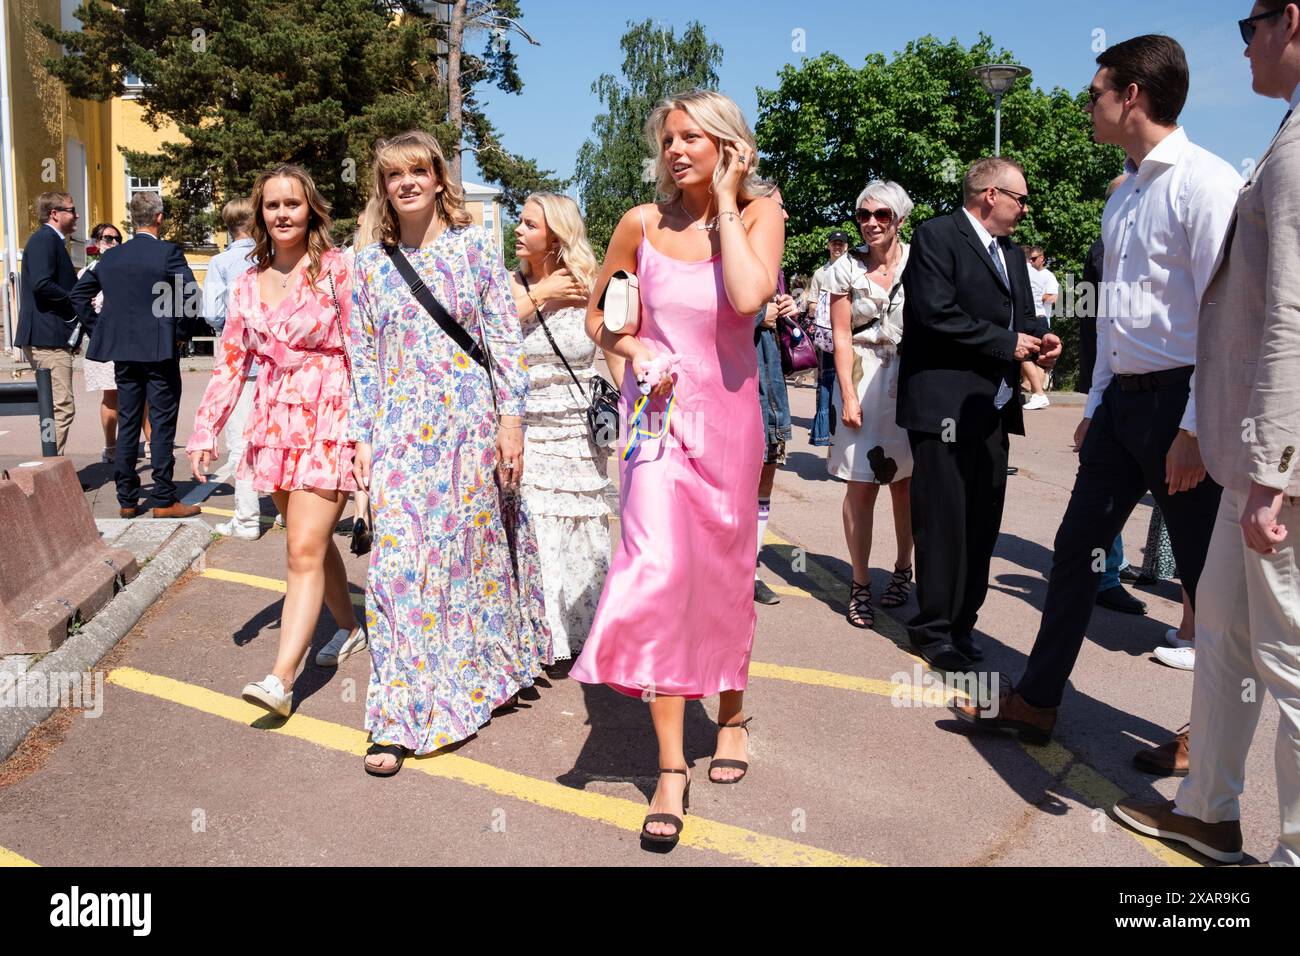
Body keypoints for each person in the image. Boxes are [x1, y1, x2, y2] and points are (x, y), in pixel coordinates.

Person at [954, 35, 1237, 741]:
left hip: (1183, 406)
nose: (1088, 105)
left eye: (1095, 93)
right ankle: (1037, 700)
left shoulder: (1206, 183)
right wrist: (1101, 399)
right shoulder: (1125, 194)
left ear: (1131, 96)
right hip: (1124, 408)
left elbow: (1224, 316)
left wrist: (1195, 429)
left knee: (1209, 582)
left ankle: (1207, 745)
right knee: (1076, 552)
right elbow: (1113, 314)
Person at [570, 90, 785, 847]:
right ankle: (669, 767)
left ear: (727, 144)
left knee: (723, 574)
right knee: (659, 572)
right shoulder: (640, 223)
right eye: (669, 139)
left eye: (694, 137)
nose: (678, 150)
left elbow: (749, 297)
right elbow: (597, 313)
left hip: (729, 423)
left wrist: (727, 200)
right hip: (656, 421)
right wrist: (634, 349)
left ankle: (730, 713)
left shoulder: (761, 214)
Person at [1115, 2, 1300, 866]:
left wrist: (1274, 473)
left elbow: (1292, 321)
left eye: (1249, 26)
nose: (1248, 45)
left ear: (1288, 19)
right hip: (1245, 459)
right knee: (1221, 631)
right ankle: (1209, 811)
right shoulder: (1286, 136)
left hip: (1276, 468)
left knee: (1290, 664)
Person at [349, 130, 551, 776]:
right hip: (402, 435)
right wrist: (362, 443)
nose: (406, 183)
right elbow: (363, 365)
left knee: (469, 560)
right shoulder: (369, 266)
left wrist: (511, 421)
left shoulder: (473, 252)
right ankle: (396, 715)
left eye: (418, 170)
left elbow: (502, 342)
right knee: (396, 570)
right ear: (383, 189)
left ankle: (484, 671)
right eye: (393, 175)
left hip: (469, 428)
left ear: (439, 179)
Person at [186, 166, 364, 716]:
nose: (282, 213)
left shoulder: (338, 271)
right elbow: (231, 363)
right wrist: (205, 429)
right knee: (306, 539)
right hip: (274, 423)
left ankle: (281, 680)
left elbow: (366, 353)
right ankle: (350, 627)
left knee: (302, 548)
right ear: (260, 213)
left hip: (329, 413)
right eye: (272, 205)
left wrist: (366, 433)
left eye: (292, 203)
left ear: (311, 208)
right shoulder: (246, 281)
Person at [897, 157, 1057, 671]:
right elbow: (935, 312)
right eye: (1021, 198)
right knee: (943, 520)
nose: (1024, 208)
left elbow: (1023, 315)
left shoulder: (1008, 252)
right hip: (943, 405)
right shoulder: (936, 236)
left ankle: (964, 622)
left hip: (992, 406)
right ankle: (934, 627)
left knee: (982, 520)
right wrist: (1007, 343)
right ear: (991, 194)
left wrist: (1041, 341)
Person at [508, 191, 614, 662]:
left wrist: (643, 408)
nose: (518, 230)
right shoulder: (506, 283)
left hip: (578, 429)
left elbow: (616, 348)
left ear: (556, 234)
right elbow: (491, 331)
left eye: (530, 224)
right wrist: (542, 294)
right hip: (525, 425)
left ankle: (583, 631)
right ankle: (540, 635)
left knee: (580, 527)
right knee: (535, 526)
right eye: (519, 222)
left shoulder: (590, 284)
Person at [71, 192, 202, 519]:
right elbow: (189, 296)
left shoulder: (110, 257)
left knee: (128, 422)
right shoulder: (167, 252)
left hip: (124, 351)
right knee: (160, 422)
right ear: (159, 218)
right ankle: (164, 498)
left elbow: (78, 296)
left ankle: (127, 498)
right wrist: (179, 335)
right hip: (159, 351)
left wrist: (100, 328)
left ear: (133, 220)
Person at [825, 180, 916, 629]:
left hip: (909, 380)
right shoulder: (845, 269)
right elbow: (841, 335)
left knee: (906, 484)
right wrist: (846, 393)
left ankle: (903, 569)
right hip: (862, 376)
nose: (871, 223)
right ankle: (860, 584)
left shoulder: (920, 261)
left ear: (899, 218)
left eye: (882, 215)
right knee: (860, 484)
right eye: (864, 215)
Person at [201, 197, 261, 539]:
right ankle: (284, 510)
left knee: (240, 440)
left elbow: (212, 313)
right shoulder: (269, 257)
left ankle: (247, 517)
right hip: (275, 362)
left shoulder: (221, 262)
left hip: (239, 360)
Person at [755, 187, 795, 606]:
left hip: (771, 392)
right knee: (735, 484)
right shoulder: (728, 257)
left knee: (766, 478)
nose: (784, 217)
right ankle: (727, 571)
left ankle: (750, 567)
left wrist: (782, 311)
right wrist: (756, 315)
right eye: (778, 208)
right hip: (738, 392)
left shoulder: (774, 267)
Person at [15, 191, 80, 454]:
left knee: (54, 405)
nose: (76, 215)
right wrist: (74, 302)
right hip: (47, 337)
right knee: (61, 406)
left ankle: (52, 466)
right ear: (55, 213)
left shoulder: (51, 240)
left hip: (49, 335)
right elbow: (42, 284)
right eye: (71, 210)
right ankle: (52, 466)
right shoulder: (45, 240)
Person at [78, 222, 146, 464]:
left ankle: (151, 446)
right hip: (106, 341)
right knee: (111, 395)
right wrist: (96, 328)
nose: (114, 242)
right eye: (108, 238)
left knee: (142, 392)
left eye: (117, 238)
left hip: (128, 339)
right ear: (96, 243)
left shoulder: (124, 266)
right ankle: (111, 446)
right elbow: (79, 300)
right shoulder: (93, 269)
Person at [806, 231, 850, 447]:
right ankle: (824, 433)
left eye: (841, 244)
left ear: (847, 247)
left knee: (848, 381)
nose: (838, 247)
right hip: (826, 337)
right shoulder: (820, 274)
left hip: (849, 335)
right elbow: (811, 304)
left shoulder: (855, 270)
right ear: (828, 246)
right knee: (827, 380)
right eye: (834, 244)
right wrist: (823, 312)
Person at [1021, 245, 1058, 410]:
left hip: (1030, 317)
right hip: (1039, 317)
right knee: (1038, 359)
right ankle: (1037, 392)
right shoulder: (1037, 274)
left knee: (1023, 355)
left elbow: (1053, 297)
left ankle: (1038, 393)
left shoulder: (1022, 273)